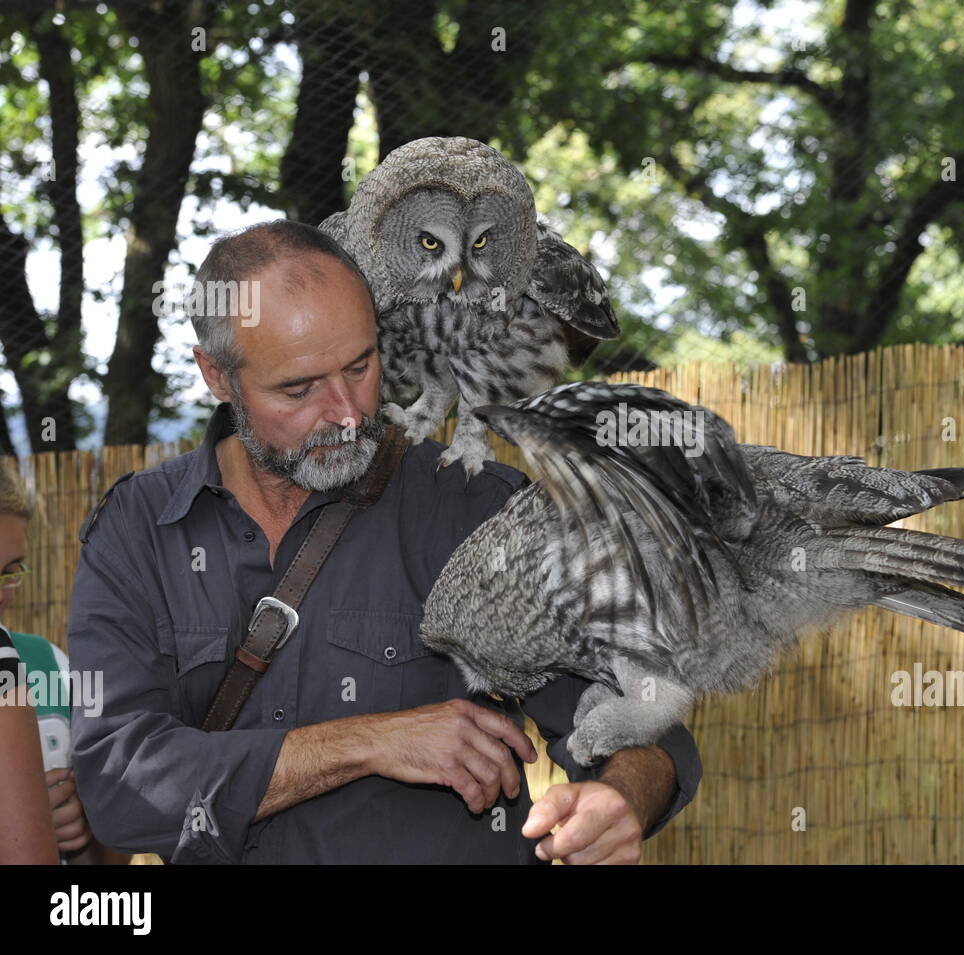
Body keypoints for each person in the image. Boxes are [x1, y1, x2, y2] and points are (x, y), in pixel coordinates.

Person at [68, 220, 701, 864]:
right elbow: (118, 788)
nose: (346, 412)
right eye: (300, 387)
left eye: (360, 365)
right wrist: (368, 742)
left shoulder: (471, 507)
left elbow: (641, 720)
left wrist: (620, 797)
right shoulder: (138, 528)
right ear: (218, 376)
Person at [0, 466, 126, 865]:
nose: (3, 592)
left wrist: (89, 821)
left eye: (9, 572)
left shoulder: (49, 663)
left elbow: (116, 847)